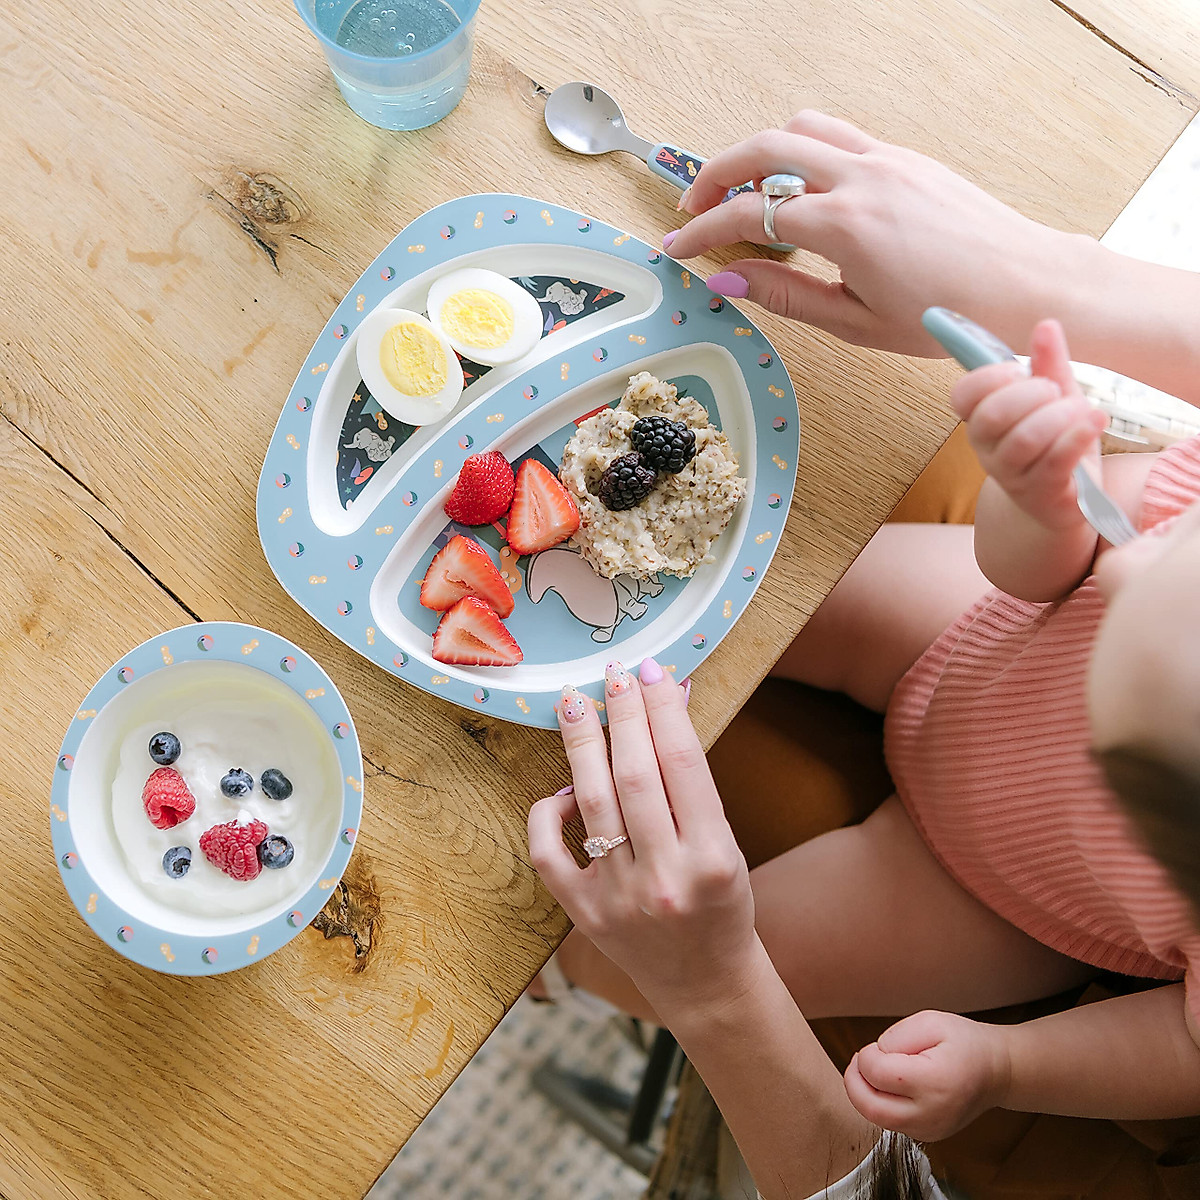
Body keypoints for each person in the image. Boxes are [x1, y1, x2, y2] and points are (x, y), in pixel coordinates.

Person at [527, 112, 1200, 1198]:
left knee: (711, 953)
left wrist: (1006, 1063)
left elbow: (1184, 1049)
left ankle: (564, 970)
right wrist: (1037, 501)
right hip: (975, 642)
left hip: (997, 892)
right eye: (1156, 551)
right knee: (719, 586)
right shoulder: (1144, 557)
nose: (1119, 574)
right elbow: (1042, 580)